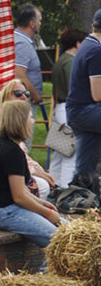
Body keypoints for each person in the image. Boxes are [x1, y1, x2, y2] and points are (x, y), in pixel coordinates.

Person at [0, 97, 63, 253]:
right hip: (5, 212)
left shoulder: (2, 144)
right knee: (60, 240)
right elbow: (19, 196)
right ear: (20, 120)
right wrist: (47, 213)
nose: (33, 121)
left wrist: (41, 203)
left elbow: (21, 191)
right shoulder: (12, 152)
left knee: (67, 228)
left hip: (4, 208)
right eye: (30, 117)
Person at [64, 10, 101, 184]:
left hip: (79, 112)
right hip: (85, 110)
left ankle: (80, 191)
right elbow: (98, 94)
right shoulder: (96, 50)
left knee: (84, 170)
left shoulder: (88, 44)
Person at [48, 26, 84, 184]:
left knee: (59, 153)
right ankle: (65, 189)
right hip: (68, 110)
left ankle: (53, 186)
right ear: (77, 44)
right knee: (70, 154)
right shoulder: (71, 62)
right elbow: (73, 88)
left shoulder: (61, 60)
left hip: (59, 109)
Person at [13, 3, 46, 112]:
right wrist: (35, 95)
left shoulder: (19, 39)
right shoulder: (22, 44)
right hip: (23, 102)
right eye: (39, 20)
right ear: (32, 24)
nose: (40, 24)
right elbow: (19, 74)